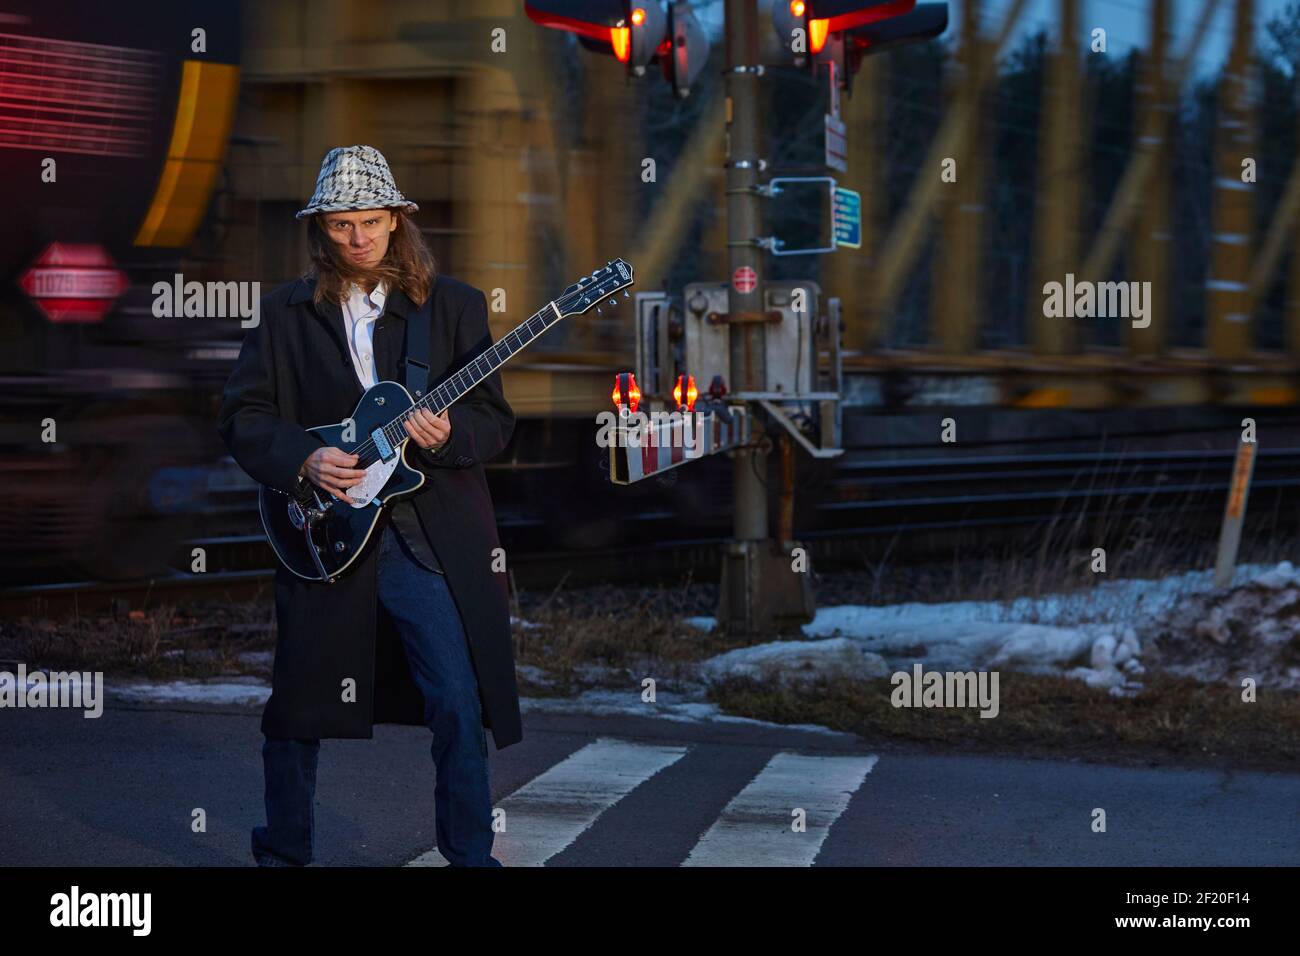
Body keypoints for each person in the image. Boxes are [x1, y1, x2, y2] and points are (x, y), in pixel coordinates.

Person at [217, 144, 521, 866]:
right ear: (321, 228)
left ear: (397, 221)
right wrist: (302, 459)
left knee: (455, 698)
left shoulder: (451, 308)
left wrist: (448, 436)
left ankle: (471, 858)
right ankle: (285, 854)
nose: (358, 238)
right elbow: (243, 416)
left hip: (423, 535)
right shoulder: (285, 315)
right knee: (297, 709)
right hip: (324, 531)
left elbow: (494, 421)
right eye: (343, 224)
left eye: (372, 222)